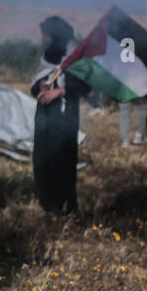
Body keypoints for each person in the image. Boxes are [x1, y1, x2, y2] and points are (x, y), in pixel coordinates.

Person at [31, 16, 90, 213]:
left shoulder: (74, 57)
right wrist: (41, 86)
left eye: (45, 35)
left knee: (62, 161)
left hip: (65, 118)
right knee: (43, 159)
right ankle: (48, 203)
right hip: (45, 117)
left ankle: (65, 204)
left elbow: (84, 86)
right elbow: (37, 81)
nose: (43, 39)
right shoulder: (49, 56)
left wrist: (60, 91)